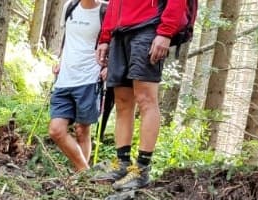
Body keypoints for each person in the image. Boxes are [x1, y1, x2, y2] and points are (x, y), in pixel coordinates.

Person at [93, 0, 188, 190]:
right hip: (119, 32)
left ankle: (142, 169)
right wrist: (105, 37)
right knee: (122, 101)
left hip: (148, 27)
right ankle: (122, 164)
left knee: (146, 99)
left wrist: (165, 32)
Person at [47, 0, 104, 172]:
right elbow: (67, 40)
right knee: (56, 130)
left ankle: (80, 176)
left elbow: (110, 44)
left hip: (89, 78)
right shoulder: (69, 6)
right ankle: (85, 171)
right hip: (64, 78)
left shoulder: (105, 10)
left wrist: (108, 67)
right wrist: (60, 61)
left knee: (82, 130)